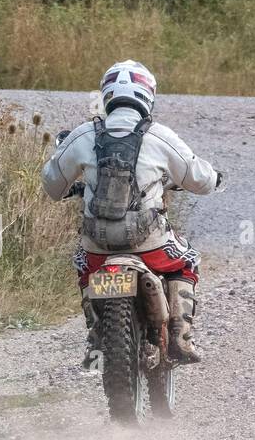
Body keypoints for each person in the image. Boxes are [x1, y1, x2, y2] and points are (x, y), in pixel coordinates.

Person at [41, 60, 222, 363]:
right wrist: (216, 178)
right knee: (188, 260)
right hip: (150, 246)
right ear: (148, 94)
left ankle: (96, 336)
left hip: (98, 248)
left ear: (107, 94)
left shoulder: (83, 134)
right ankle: (179, 334)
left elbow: (51, 186)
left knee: (83, 265)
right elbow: (198, 179)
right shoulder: (159, 135)